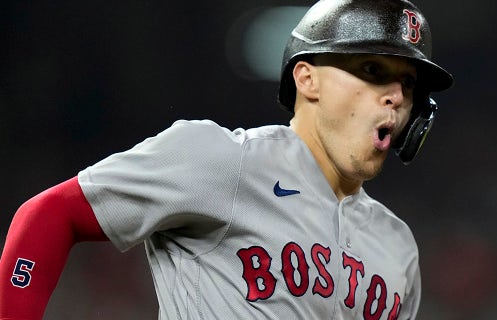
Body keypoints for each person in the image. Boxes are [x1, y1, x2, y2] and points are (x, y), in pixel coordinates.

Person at [0, 0, 453, 319]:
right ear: (308, 79)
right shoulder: (223, 161)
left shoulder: (398, 248)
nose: (396, 96)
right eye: (374, 71)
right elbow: (51, 215)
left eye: (408, 85)